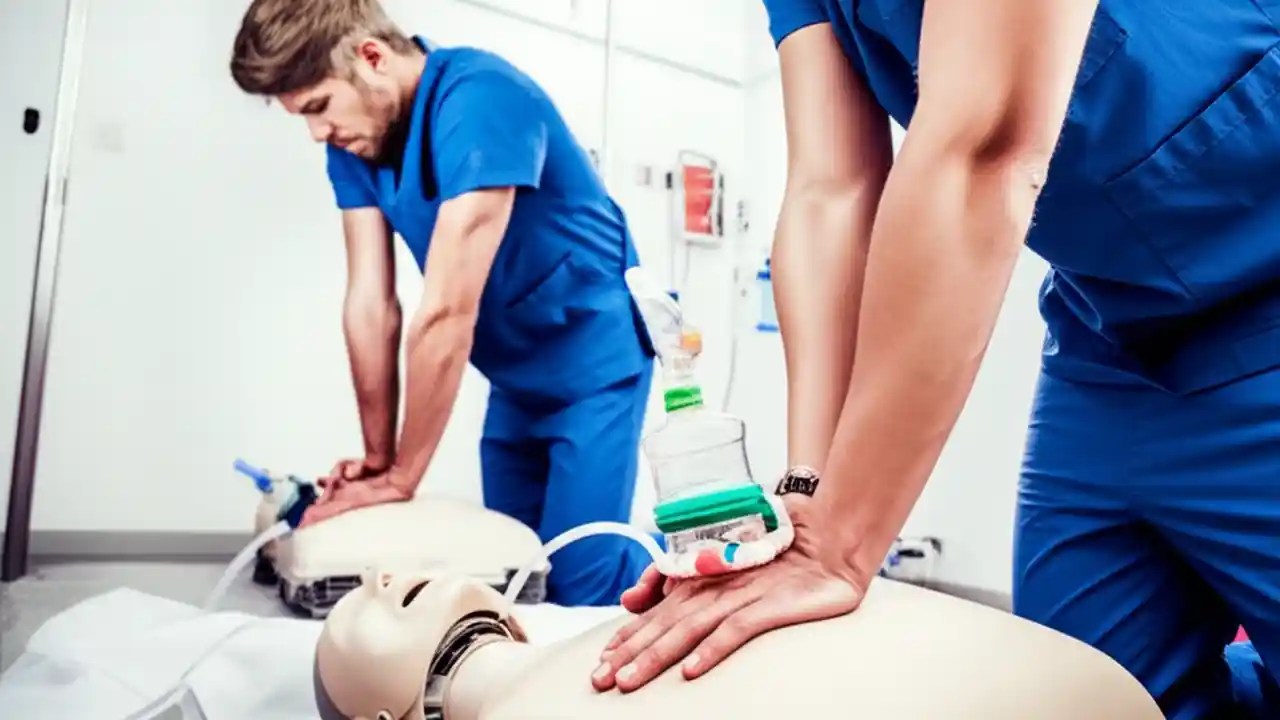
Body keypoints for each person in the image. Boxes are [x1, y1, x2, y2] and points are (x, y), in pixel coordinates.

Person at [591, 1, 1280, 717]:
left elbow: (986, 147)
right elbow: (833, 189)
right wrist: (808, 498)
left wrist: (840, 548)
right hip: (1106, 335)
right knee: (1079, 695)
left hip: (1264, 276)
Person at [228, 0, 657, 607]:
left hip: (595, 364)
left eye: (319, 106)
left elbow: (447, 310)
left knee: (579, 583)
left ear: (370, 57)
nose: (317, 133)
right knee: (515, 577)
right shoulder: (355, 145)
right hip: (513, 379)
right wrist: (378, 462)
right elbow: (370, 304)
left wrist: (404, 476)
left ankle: (680, 563)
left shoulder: (482, 98)